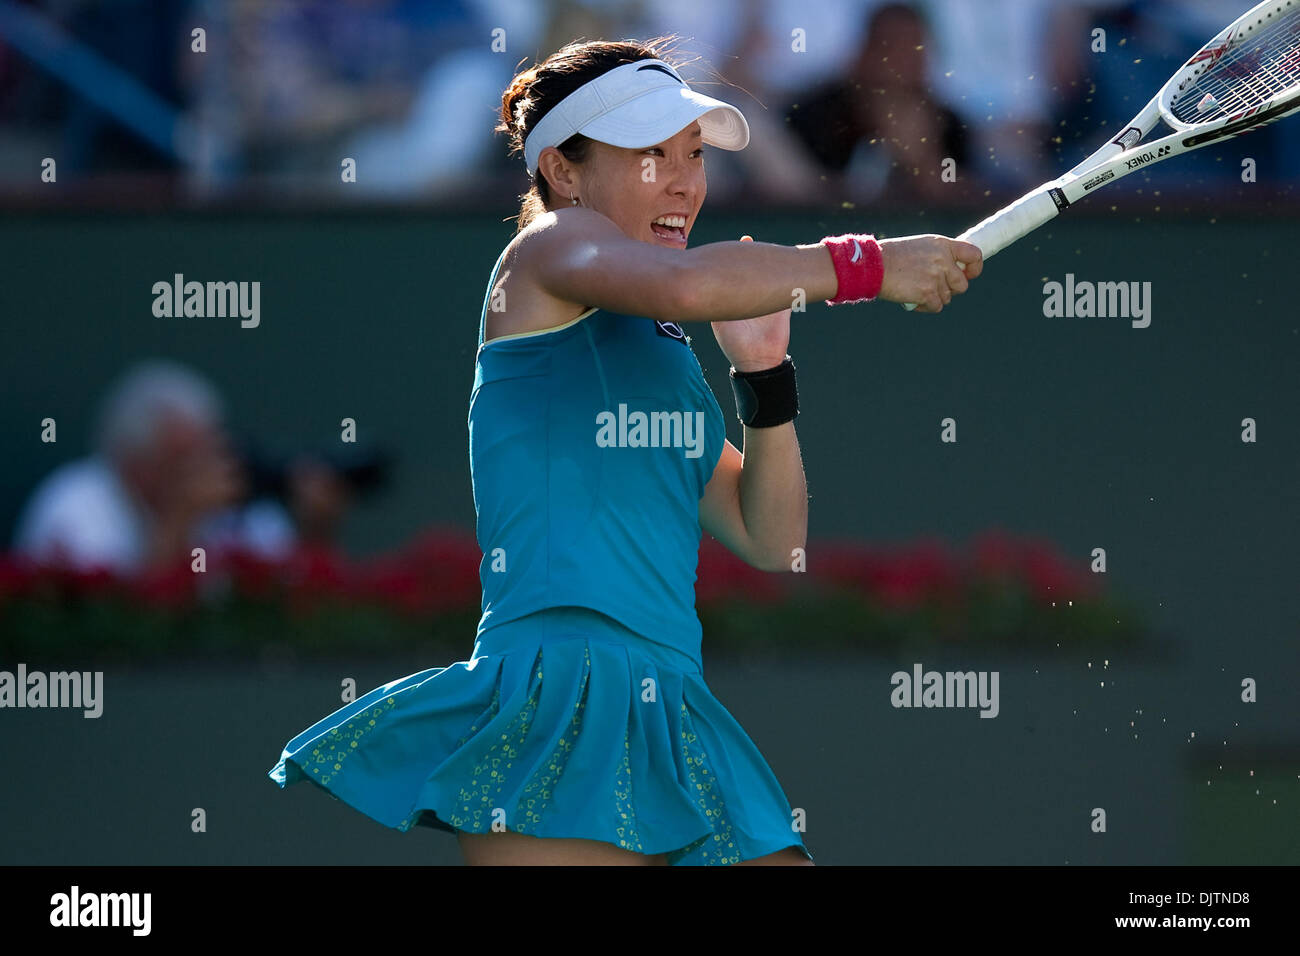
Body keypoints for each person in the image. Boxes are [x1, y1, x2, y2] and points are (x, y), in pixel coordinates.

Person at [268, 35, 980, 866]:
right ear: (565, 174)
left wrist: (764, 377)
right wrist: (870, 264)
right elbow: (688, 284)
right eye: (650, 155)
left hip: (672, 707)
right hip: (553, 697)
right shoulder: (543, 252)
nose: (684, 181)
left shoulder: (667, 354)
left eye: (693, 155)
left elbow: (771, 539)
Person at [11, 359, 250, 575]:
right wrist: (178, 521)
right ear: (134, 458)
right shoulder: (75, 506)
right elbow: (123, 616)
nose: (202, 472)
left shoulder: (219, 506)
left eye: (208, 454)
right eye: (183, 460)